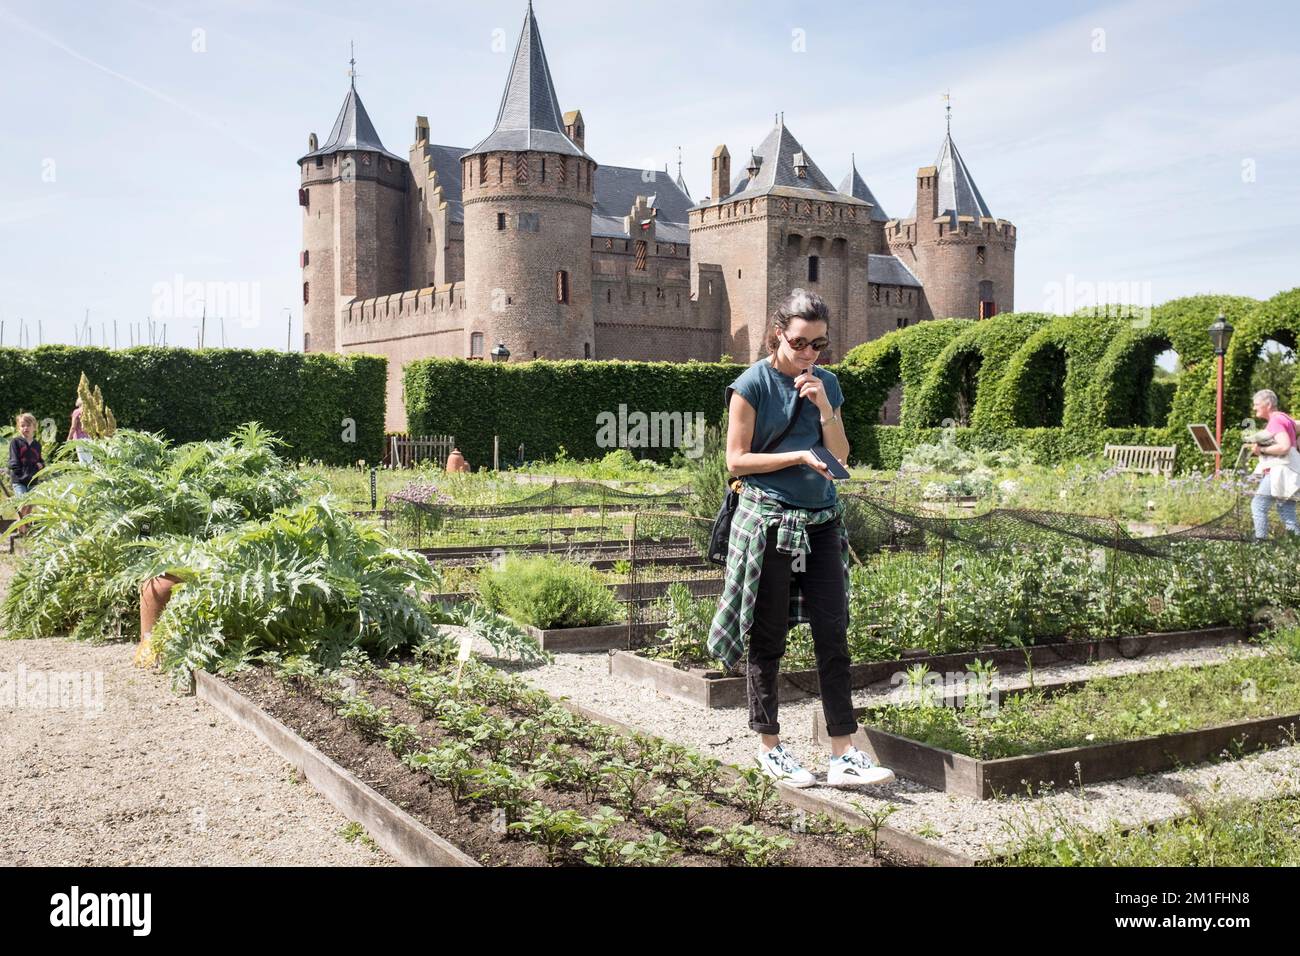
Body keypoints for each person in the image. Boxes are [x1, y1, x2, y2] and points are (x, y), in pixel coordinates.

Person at [707, 288, 895, 789]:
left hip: (821, 520)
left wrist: (824, 409)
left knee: (833, 634)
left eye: (819, 345)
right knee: (768, 635)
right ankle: (770, 746)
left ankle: (843, 753)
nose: (809, 353)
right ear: (777, 334)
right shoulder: (752, 384)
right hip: (769, 521)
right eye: (800, 342)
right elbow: (736, 461)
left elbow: (842, 453)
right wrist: (795, 456)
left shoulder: (826, 383)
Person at [1247, 388, 1300, 539]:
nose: (1254, 407)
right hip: (1291, 471)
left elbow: (1284, 446)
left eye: (1257, 404)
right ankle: (1297, 548)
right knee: (1286, 511)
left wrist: (1261, 450)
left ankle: (1260, 544)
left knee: (1258, 506)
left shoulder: (1275, 420)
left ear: (1268, 404)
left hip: (1279, 471)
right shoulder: (1284, 417)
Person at [8, 412, 45, 529]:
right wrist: (21, 475)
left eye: (28, 425)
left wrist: (42, 465)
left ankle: (24, 529)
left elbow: (40, 460)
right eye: (22, 425)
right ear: (19, 428)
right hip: (19, 480)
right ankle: (20, 528)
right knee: (23, 504)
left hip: (33, 480)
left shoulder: (37, 445)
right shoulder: (16, 442)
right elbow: (13, 462)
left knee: (30, 505)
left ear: (34, 427)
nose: (25, 428)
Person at [67, 396, 92, 464]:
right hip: (89, 438)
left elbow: (73, 427)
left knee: (83, 461)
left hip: (79, 439)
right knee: (90, 460)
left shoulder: (76, 412)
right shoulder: (89, 412)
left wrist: (69, 439)